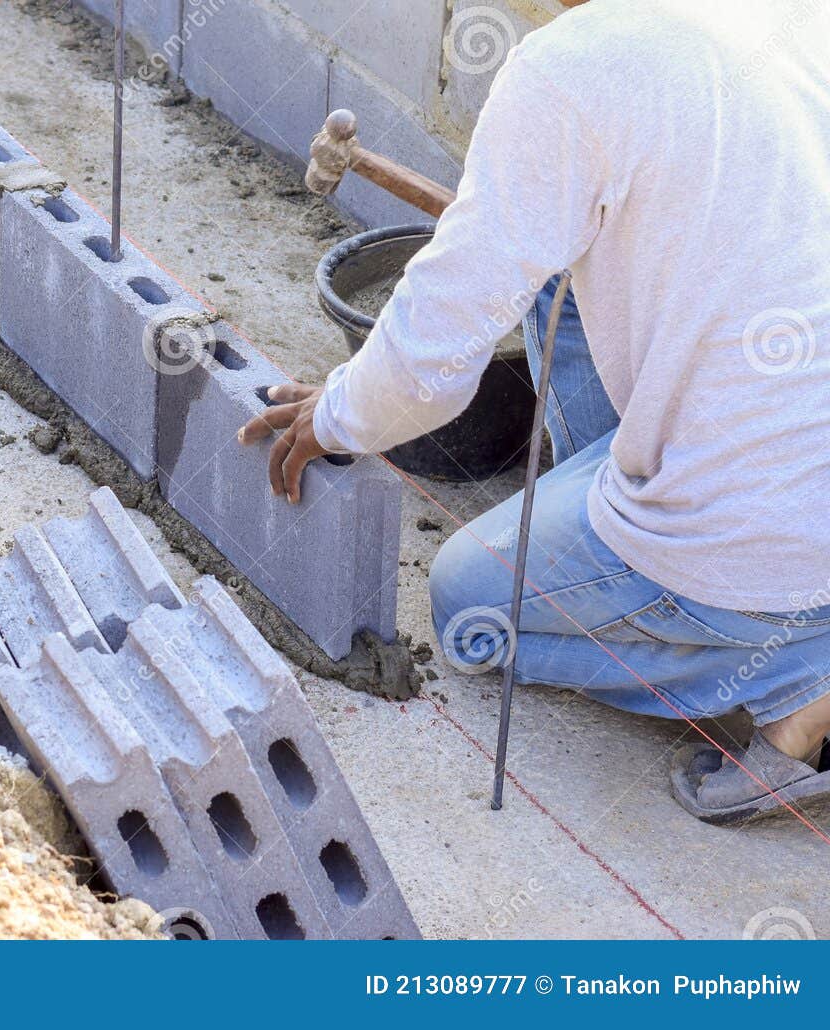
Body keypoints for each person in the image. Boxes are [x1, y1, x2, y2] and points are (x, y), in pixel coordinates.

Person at [238, 0, 830, 825]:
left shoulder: (571, 66)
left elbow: (428, 361)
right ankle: (653, 523)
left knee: (470, 612)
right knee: (561, 274)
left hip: (778, 534)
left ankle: (798, 676)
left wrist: (338, 415)